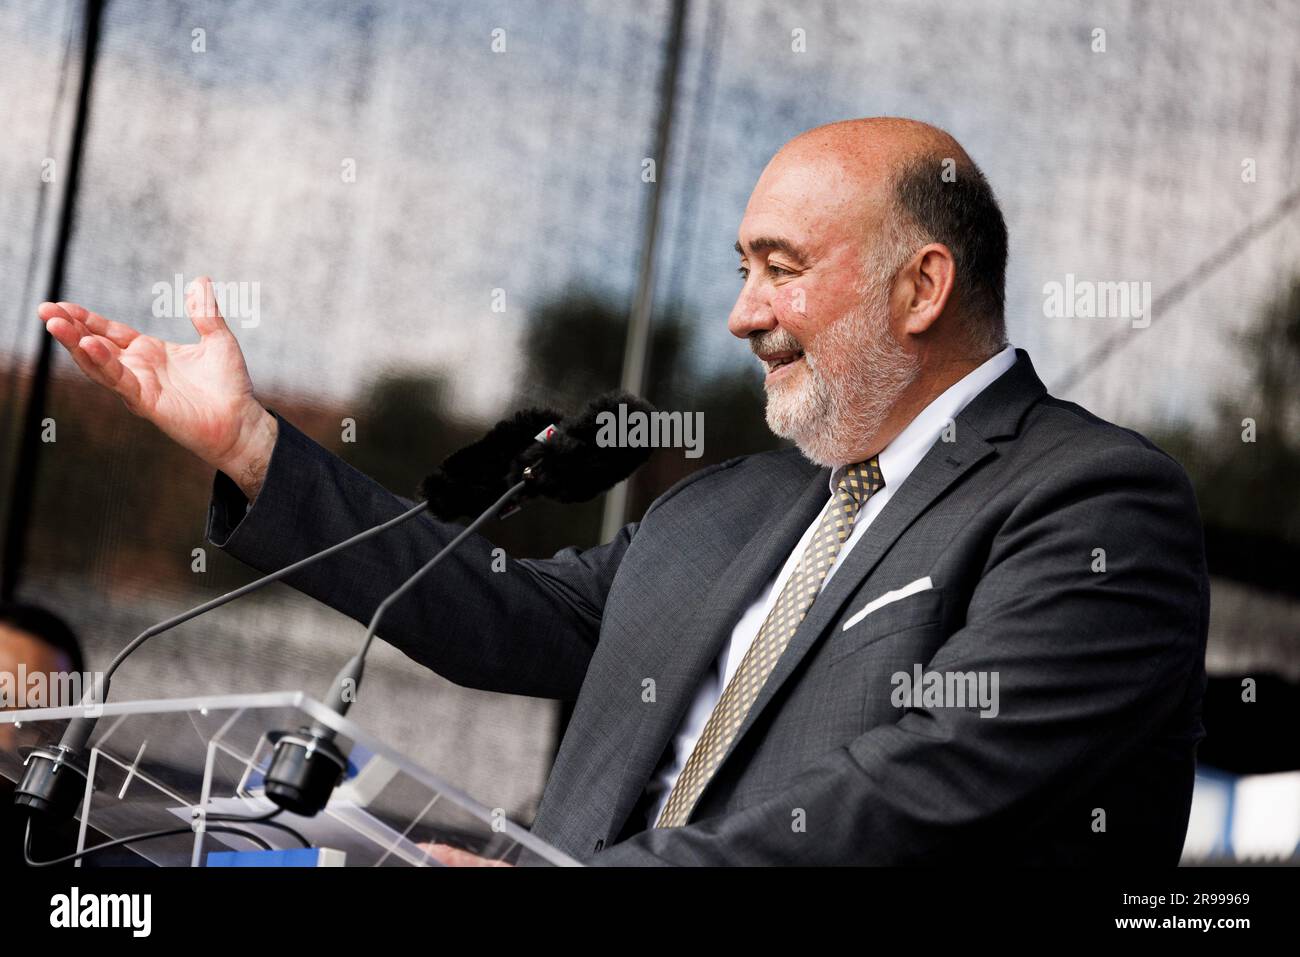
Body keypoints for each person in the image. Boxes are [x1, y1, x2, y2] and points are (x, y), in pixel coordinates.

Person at [37, 117, 1209, 866]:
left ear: (922, 286)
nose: (743, 312)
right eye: (740, 270)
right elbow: (498, 613)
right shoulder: (737, 502)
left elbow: (922, 803)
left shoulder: (1095, 504)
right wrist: (251, 447)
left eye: (780, 269)